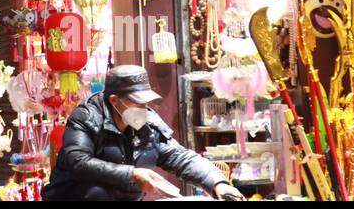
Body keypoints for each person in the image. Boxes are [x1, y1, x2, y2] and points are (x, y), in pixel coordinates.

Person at [43, 64, 245, 201]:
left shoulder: (146, 123)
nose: (143, 106)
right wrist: (133, 173)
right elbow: (78, 162)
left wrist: (217, 183)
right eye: (136, 101)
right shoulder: (86, 117)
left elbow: (179, 157)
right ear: (114, 100)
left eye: (145, 101)